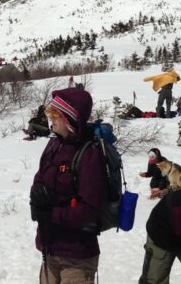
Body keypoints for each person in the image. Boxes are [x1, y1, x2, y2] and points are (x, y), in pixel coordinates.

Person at [30, 86, 105, 284]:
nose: (50, 119)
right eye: (50, 113)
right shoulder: (53, 145)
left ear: (70, 119)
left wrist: (51, 214)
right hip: (50, 247)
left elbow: (89, 209)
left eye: (56, 115)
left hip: (77, 257)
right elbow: (39, 178)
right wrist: (36, 198)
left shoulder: (89, 155)